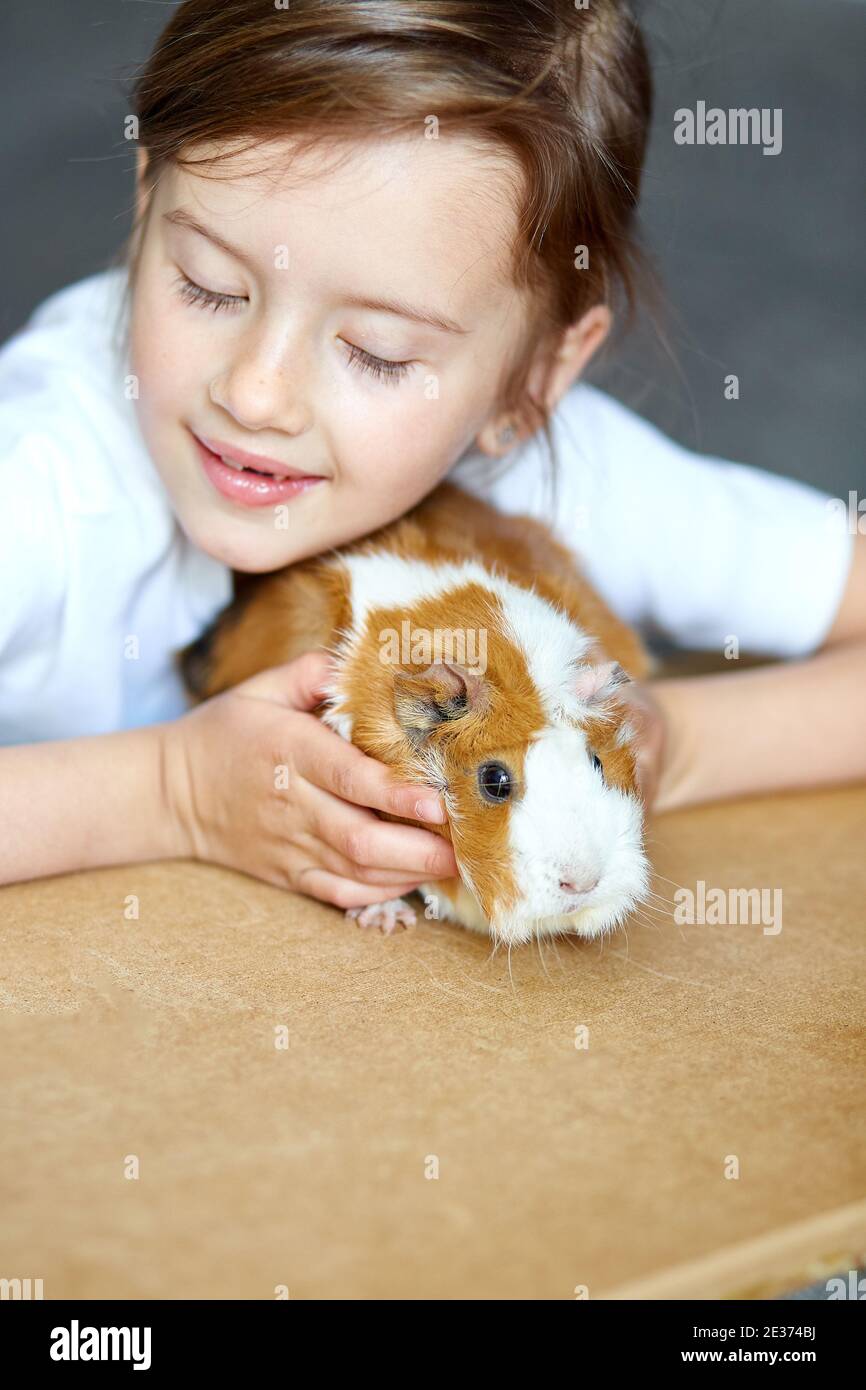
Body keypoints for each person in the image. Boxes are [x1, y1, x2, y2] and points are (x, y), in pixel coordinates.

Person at [1, 0, 863, 906]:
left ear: (528, 384)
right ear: (147, 202)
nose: (254, 392)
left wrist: (670, 746)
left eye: (378, 351)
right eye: (209, 286)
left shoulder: (550, 482)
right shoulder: (42, 487)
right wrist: (172, 793)